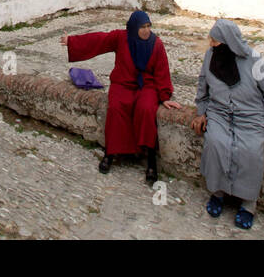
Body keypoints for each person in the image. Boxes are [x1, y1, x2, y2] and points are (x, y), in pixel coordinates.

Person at [60, 10, 181, 184]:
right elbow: (100, 39)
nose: (146, 30)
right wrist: (72, 41)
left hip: (146, 86)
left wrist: (164, 96)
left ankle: (150, 159)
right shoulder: (121, 37)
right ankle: (111, 153)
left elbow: (162, 71)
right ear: (134, 28)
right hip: (123, 83)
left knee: (146, 109)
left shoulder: (156, 44)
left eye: (148, 26)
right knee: (116, 107)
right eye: (142, 27)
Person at [190, 19, 264, 230]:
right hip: (219, 113)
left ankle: (248, 204)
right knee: (215, 142)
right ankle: (217, 193)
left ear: (229, 42)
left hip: (251, 116)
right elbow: (202, 86)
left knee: (251, 150)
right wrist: (201, 112)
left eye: (215, 41)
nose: (211, 44)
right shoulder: (210, 56)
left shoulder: (253, 59)